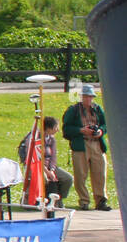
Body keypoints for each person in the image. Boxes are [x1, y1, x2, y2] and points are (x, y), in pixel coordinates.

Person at [62, 83, 110, 211]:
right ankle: (84, 201)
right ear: (81, 97)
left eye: (90, 97)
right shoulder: (73, 110)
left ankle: (101, 200)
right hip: (81, 145)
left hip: (96, 144)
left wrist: (100, 131)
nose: (88, 99)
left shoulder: (98, 109)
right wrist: (81, 130)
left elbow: (105, 125)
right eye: (85, 96)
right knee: (81, 174)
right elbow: (66, 129)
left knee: (100, 173)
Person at [18, 116, 73, 205]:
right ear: (48, 128)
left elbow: (53, 157)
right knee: (43, 178)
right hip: (35, 166)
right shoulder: (34, 138)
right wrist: (47, 172)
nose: (58, 130)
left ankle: (57, 198)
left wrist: (51, 170)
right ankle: (33, 200)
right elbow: (35, 158)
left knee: (68, 178)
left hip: (49, 167)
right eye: (56, 127)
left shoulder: (51, 139)